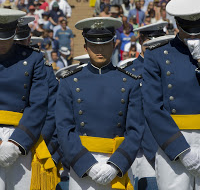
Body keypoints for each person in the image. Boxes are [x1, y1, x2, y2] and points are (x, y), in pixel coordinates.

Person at [55, 16, 144, 190]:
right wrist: (87, 165)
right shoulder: (69, 83)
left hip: (118, 165)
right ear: (86, 47)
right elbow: (64, 129)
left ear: (114, 44)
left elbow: (135, 130)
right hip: (82, 165)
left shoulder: (130, 82)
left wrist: (116, 165)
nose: (99, 49)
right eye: (94, 45)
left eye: (104, 43)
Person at [142, 0, 200, 190]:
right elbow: (152, 107)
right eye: (189, 27)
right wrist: (181, 150)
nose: (194, 34)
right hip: (174, 141)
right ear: (178, 24)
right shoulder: (158, 54)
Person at [0, 8, 48, 189]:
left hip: (21, 139)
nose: (3, 42)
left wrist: (16, 142)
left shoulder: (33, 59)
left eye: (7, 36)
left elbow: (38, 104)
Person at [121, 21, 169, 190]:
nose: (153, 46)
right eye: (149, 42)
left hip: (171, 141)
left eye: (158, 42)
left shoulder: (169, 68)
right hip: (142, 149)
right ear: (141, 40)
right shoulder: (128, 72)